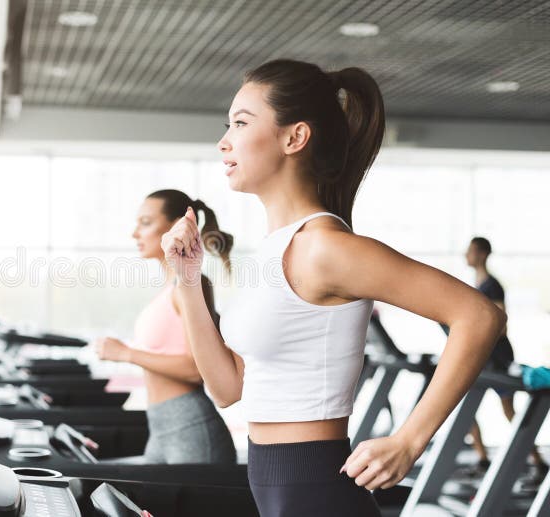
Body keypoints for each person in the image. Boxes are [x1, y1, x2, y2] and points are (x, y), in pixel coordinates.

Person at [160, 59, 507, 516]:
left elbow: (480, 316)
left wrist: (409, 440)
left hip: (315, 488)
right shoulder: (271, 251)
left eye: (241, 123)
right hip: (273, 480)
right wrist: (186, 283)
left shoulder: (324, 247)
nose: (225, 140)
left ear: (295, 137)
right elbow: (227, 388)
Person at [94, 189, 236, 465]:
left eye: (145, 223)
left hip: (190, 427)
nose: (135, 233)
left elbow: (198, 370)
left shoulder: (193, 285)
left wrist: (126, 353)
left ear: (175, 228)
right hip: (161, 428)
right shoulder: (168, 288)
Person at [460, 236, 548, 479]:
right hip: (482, 354)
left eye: (470, 251)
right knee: (464, 404)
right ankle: (482, 457)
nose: (465, 255)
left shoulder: (492, 286)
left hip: (497, 356)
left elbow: (501, 325)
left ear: (481, 254)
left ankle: (538, 460)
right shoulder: (479, 285)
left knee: (509, 412)